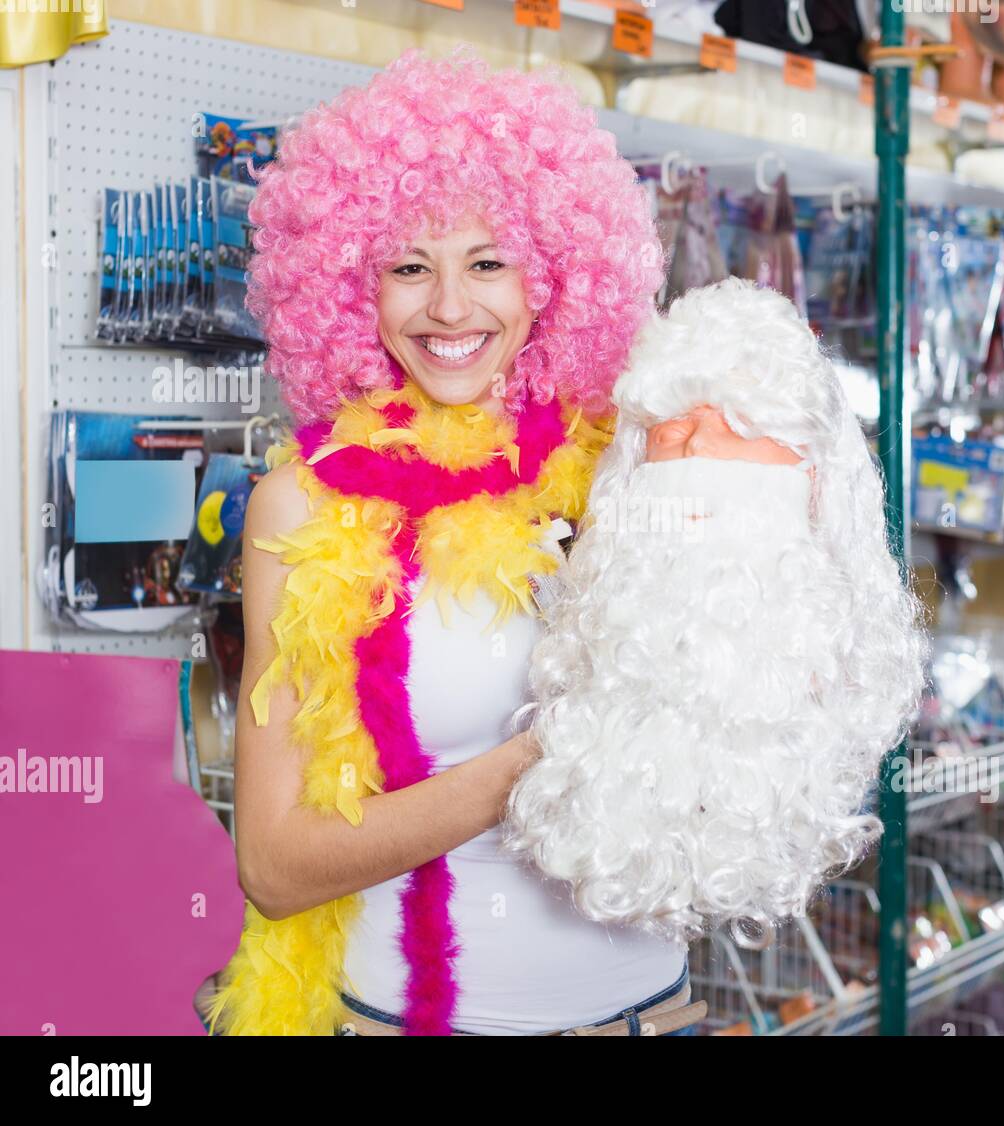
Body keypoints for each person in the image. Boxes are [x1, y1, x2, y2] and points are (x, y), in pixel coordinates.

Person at [197, 46, 702, 1037]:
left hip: (651, 1016)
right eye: (408, 268)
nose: (450, 308)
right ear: (351, 285)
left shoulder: (627, 469)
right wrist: (530, 763)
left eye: (487, 262)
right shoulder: (301, 507)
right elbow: (276, 863)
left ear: (552, 275)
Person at [505, 278, 928, 947]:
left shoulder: (821, 677)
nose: (699, 446)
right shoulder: (542, 574)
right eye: (673, 423)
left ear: (814, 476)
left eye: (741, 422)